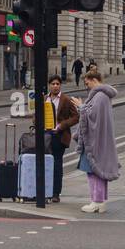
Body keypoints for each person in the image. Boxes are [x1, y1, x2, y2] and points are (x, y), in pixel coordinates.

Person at [74, 70, 120, 213]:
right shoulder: (103, 96)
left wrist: (80, 106)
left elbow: (92, 116)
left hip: (94, 142)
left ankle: (96, 201)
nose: (87, 85)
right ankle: (99, 201)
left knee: (94, 171)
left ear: (94, 80)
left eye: (87, 82)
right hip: (99, 140)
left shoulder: (100, 96)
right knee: (97, 171)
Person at [44, 75, 79, 203]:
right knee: (45, 164)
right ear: (49, 85)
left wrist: (61, 125)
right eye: (53, 84)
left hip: (59, 136)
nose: (55, 86)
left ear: (60, 86)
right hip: (45, 136)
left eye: (57, 84)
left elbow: (76, 117)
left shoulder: (66, 100)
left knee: (57, 165)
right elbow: (35, 116)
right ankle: (45, 190)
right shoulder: (44, 99)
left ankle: (55, 193)